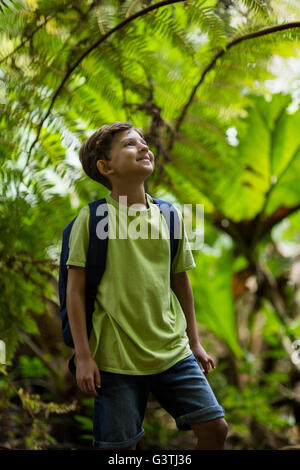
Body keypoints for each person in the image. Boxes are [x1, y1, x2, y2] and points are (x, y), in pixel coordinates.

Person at [66, 121, 228, 450]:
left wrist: (194, 341)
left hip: (172, 351)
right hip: (114, 358)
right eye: (129, 144)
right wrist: (83, 356)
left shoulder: (170, 216)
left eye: (143, 142)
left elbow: (180, 281)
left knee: (215, 428)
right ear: (105, 167)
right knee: (119, 449)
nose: (143, 147)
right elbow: (74, 291)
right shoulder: (92, 219)